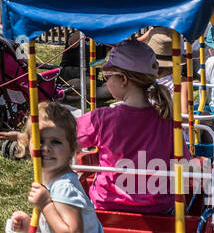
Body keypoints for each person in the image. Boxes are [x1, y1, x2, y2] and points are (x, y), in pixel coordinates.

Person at [10, 102, 122, 233]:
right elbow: (58, 224)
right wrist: (33, 225)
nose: (46, 148)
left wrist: (45, 204)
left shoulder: (64, 187)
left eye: (56, 141)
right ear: (27, 143)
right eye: (39, 141)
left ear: (72, 148)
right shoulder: (57, 181)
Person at [75, 39, 179, 214]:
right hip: (158, 208)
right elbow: (184, 159)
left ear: (123, 79)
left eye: (106, 77)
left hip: (107, 205)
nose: (105, 82)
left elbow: (66, 139)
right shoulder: (167, 119)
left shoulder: (102, 118)